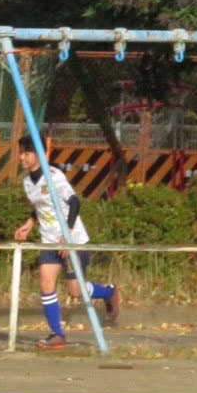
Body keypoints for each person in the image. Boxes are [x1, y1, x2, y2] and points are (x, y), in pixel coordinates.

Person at [14, 137, 121, 349]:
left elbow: (74, 203)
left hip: (73, 240)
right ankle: (57, 334)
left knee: (75, 291)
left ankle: (110, 293)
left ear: (40, 155)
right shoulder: (27, 181)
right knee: (46, 284)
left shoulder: (54, 176)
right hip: (50, 241)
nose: (21, 157)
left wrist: (67, 236)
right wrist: (29, 223)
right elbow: (42, 207)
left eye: (27, 153)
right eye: (21, 153)